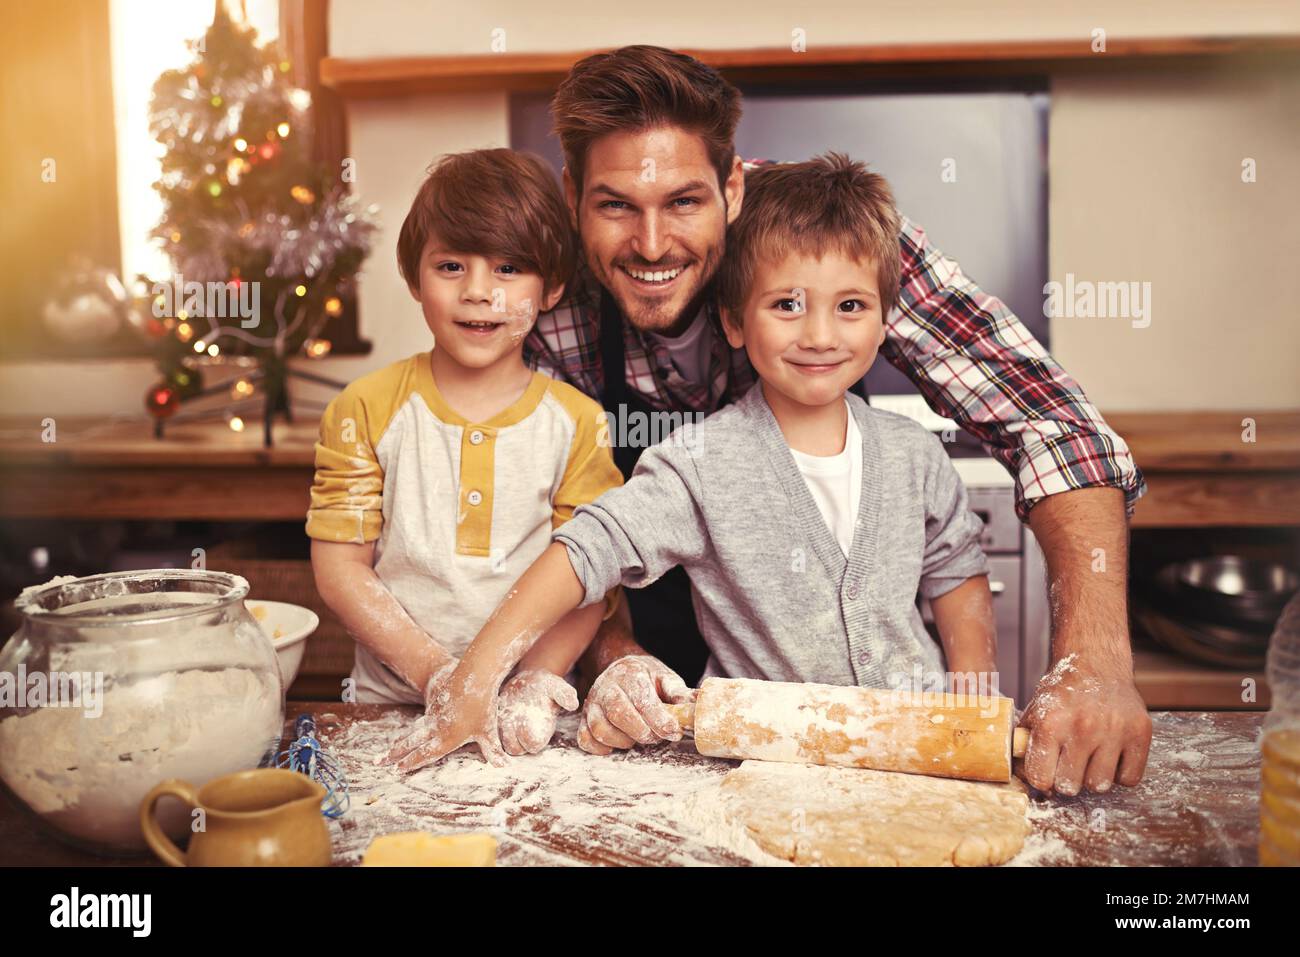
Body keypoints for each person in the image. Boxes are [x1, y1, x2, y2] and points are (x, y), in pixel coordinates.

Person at [528, 45, 1150, 796]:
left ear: (731, 185)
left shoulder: (824, 237)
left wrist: (1097, 663)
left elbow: (1053, 424)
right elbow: (550, 527)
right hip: (674, 713)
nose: (653, 244)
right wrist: (612, 656)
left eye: (685, 202)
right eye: (616, 205)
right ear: (573, 196)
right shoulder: (533, 284)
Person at [383, 152, 1009, 773]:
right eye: (787, 305)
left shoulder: (916, 454)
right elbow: (584, 550)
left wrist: (974, 710)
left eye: (849, 306)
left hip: (919, 755)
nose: (820, 335)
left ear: (882, 324)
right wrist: (475, 679)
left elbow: (955, 571)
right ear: (734, 322)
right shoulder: (698, 463)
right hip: (764, 762)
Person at [307, 149, 623, 766]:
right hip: (391, 712)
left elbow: (590, 582)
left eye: (509, 268)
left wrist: (533, 682)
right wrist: (441, 679)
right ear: (415, 280)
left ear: (552, 286)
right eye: (451, 266)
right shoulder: (364, 408)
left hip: (531, 722)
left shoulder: (579, 423)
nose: (479, 292)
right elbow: (341, 571)